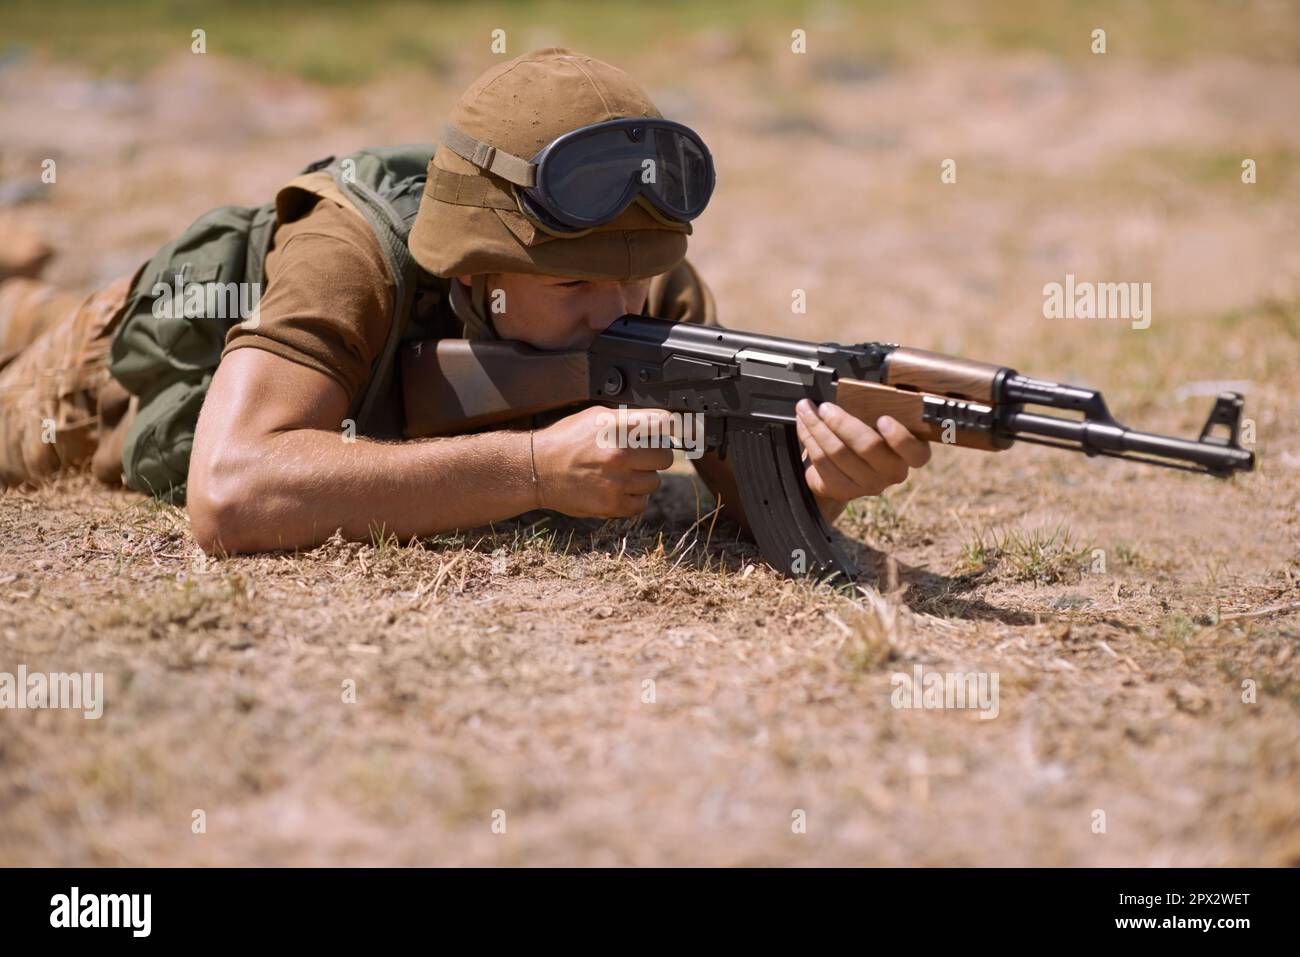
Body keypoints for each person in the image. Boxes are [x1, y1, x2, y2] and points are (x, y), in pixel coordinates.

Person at [0, 48, 931, 556]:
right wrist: (531, 468)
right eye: (572, 285)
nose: (617, 310)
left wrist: (819, 481)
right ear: (478, 273)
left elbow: (737, 497)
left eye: (631, 276)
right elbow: (232, 490)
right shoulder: (351, 254)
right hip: (93, 373)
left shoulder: (654, 296)